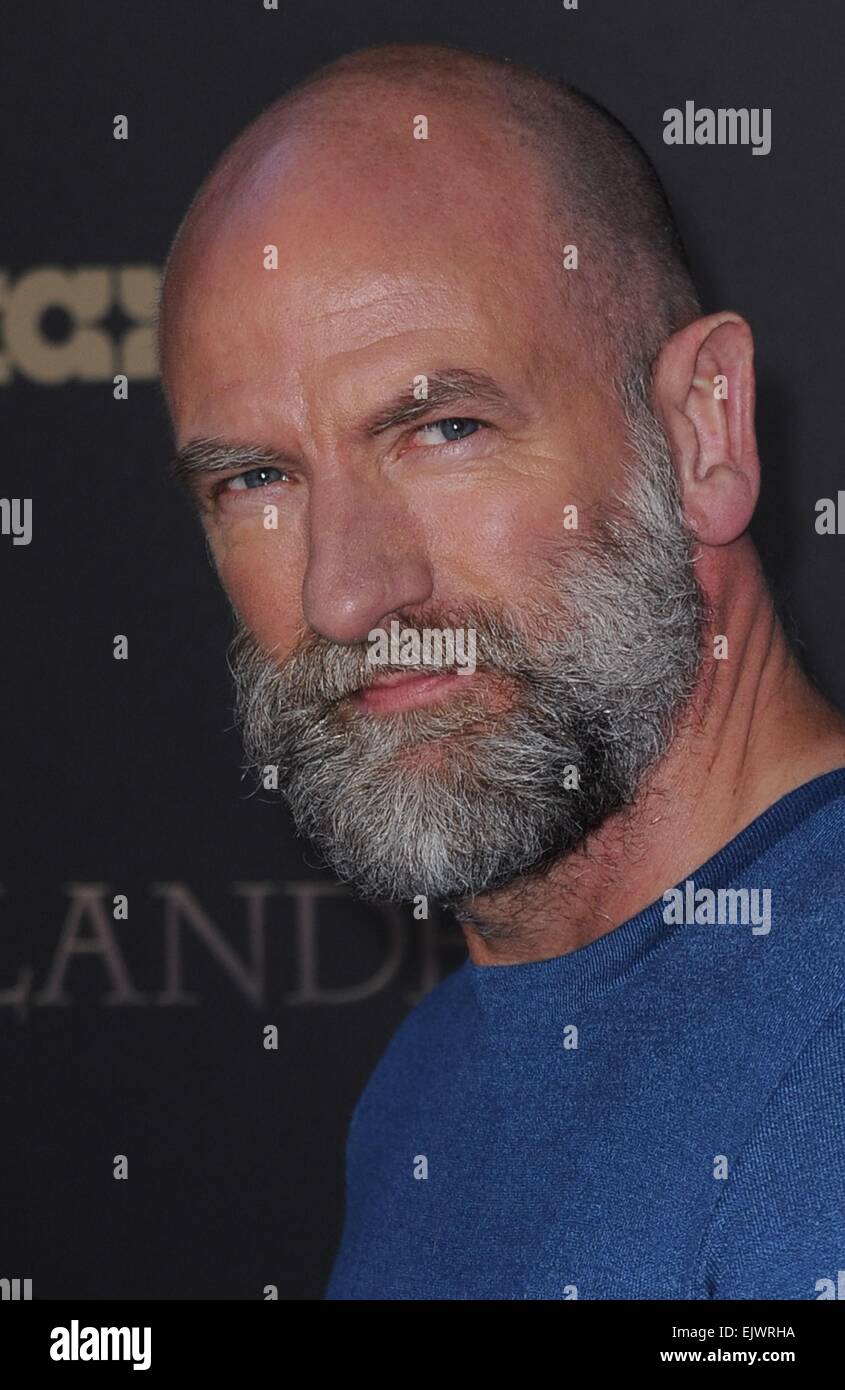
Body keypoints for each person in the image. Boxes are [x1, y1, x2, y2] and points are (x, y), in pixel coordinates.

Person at [157, 43, 845, 1299]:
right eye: (256, 479)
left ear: (702, 428)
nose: (347, 592)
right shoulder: (427, 1083)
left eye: (442, 430)